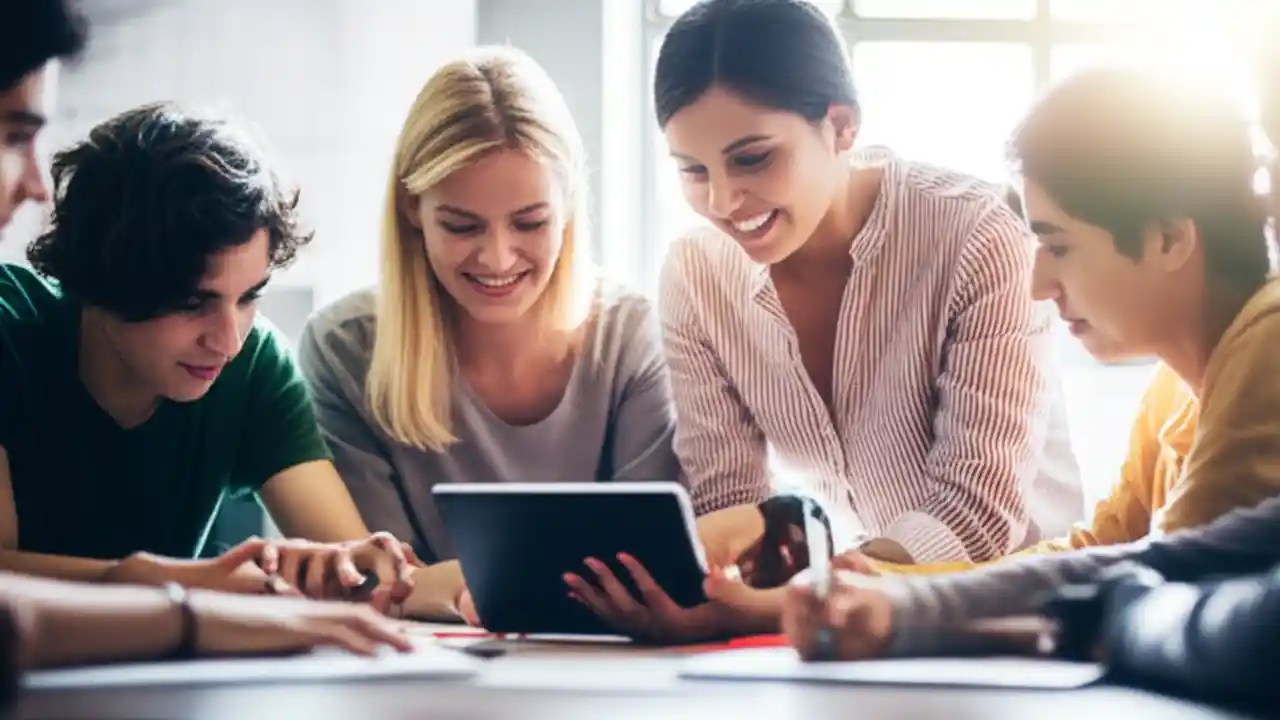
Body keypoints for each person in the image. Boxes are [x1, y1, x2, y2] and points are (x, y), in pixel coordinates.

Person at [565, 0, 1081, 642]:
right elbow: (731, 505)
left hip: (1030, 625)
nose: (722, 202)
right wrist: (713, 581)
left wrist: (812, 591)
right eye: (693, 170)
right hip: (849, 628)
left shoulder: (975, 237)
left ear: (841, 126)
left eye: (752, 158)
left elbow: (975, 517)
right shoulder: (697, 277)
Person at [783, 63, 1280, 685]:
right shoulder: (1175, 387)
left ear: (1170, 239)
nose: (1039, 286)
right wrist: (884, 582)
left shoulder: (1270, 342)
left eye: (1060, 246)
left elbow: (1163, 584)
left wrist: (897, 612)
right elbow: (1098, 550)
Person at [0, 0, 408, 702]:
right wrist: (187, 587)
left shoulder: (251, 361)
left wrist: (354, 568)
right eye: (193, 302)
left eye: (249, 296)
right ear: (104, 277)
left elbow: (347, 556)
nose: (228, 338)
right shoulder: (9, 325)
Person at [297, 47, 680, 622]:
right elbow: (374, 582)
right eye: (461, 225)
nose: (498, 257)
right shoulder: (346, 349)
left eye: (530, 222)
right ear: (411, 208)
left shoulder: (631, 334)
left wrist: (450, 585)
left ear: (570, 205)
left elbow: (658, 564)